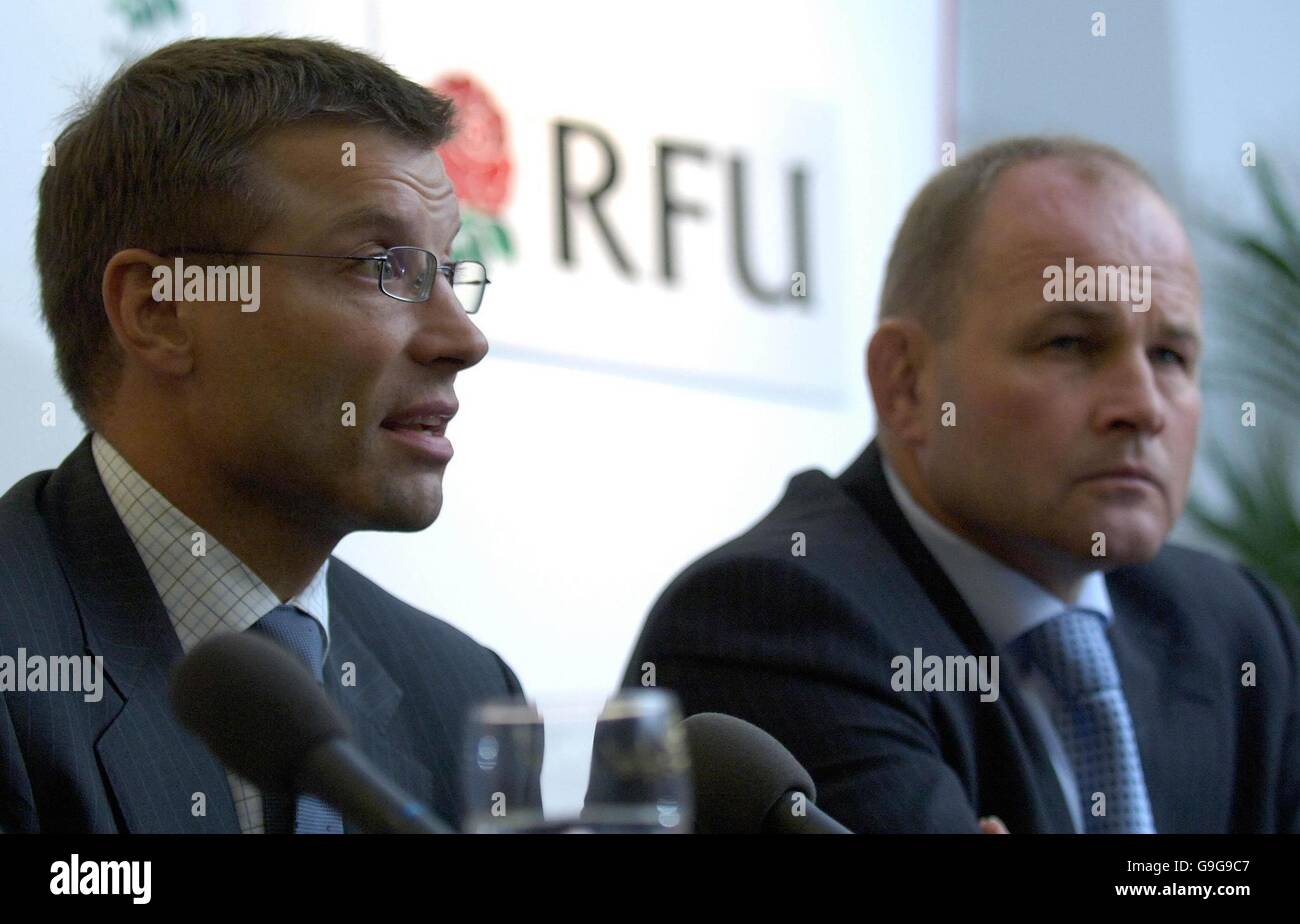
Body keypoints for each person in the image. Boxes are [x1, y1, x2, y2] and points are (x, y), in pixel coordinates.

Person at [625, 136, 1300, 833]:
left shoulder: (1235, 626)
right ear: (907, 384)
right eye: (1070, 343)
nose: (1143, 407)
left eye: (1170, 355)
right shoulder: (770, 623)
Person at [0, 37, 519, 833]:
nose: (464, 339)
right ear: (160, 309)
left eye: (447, 270)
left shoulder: (465, 694)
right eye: (381, 266)